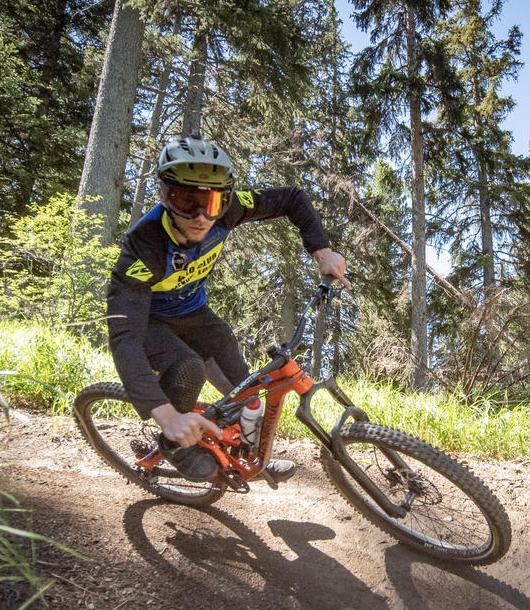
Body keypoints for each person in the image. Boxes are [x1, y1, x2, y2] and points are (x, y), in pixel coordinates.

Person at [106, 136, 350, 482]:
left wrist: (322, 251)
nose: (202, 214)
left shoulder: (230, 209)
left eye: (213, 200)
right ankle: (171, 443)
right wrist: (165, 414)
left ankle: (248, 460)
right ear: (162, 195)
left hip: (194, 313)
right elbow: (125, 336)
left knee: (249, 397)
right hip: (150, 321)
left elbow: (292, 199)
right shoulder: (144, 243)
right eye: (186, 199)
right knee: (189, 369)